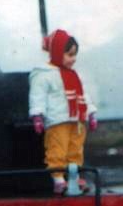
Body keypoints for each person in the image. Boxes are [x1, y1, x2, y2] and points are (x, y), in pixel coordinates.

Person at [29, 29, 98, 194]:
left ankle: (74, 177)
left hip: (76, 119)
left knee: (75, 149)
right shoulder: (43, 75)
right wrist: (37, 115)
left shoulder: (73, 75)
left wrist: (91, 112)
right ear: (58, 52)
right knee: (57, 149)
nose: (73, 59)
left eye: (74, 55)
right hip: (58, 119)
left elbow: (83, 95)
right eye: (69, 54)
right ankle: (58, 179)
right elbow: (37, 96)